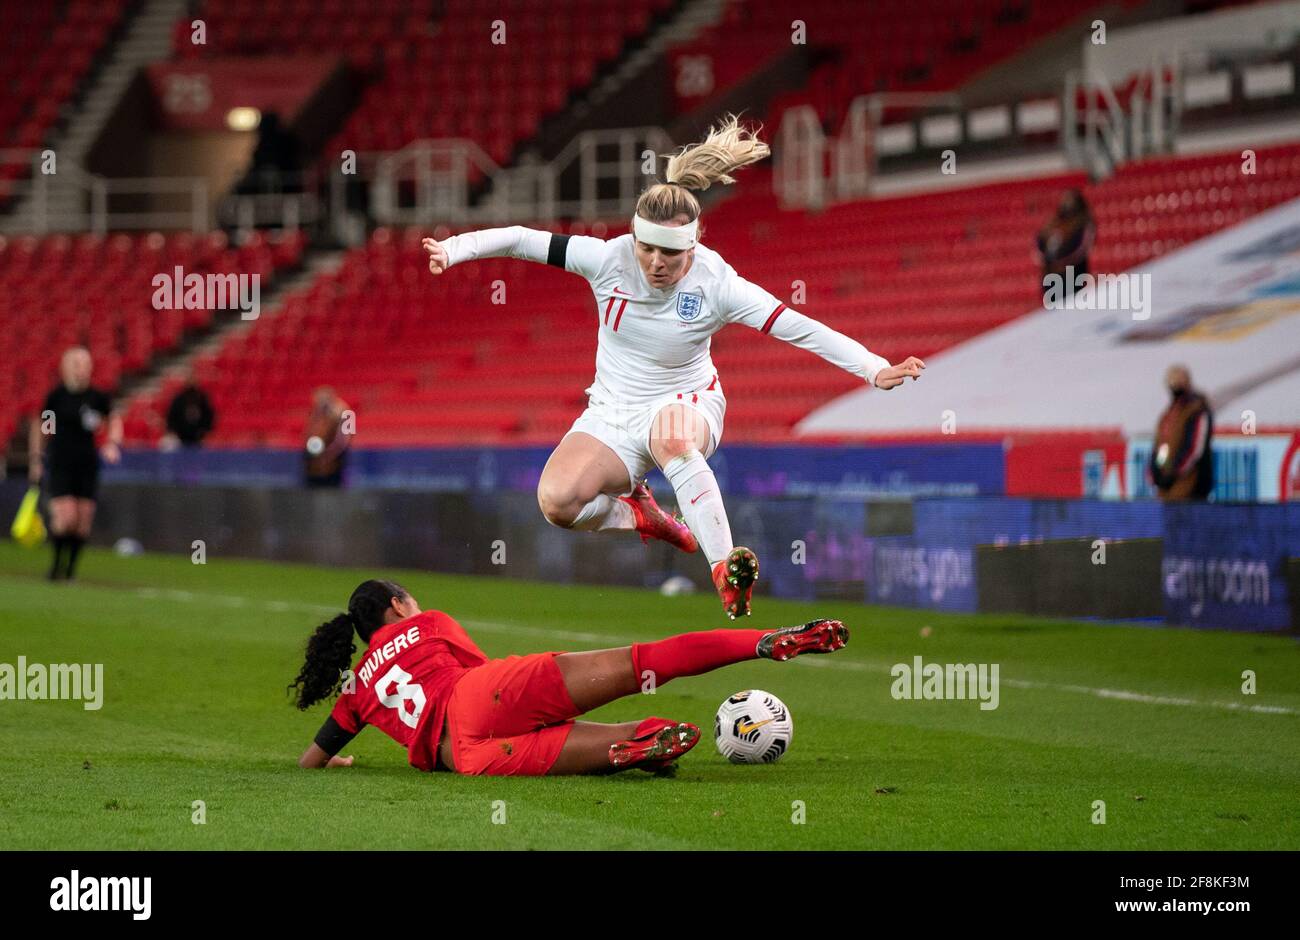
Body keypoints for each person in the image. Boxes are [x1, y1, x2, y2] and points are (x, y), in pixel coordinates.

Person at [422, 115, 925, 620]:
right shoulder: (606, 259)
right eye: (647, 249)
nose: (656, 263)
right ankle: (644, 516)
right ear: (633, 240)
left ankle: (725, 569)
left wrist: (872, 367)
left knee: (671, 435)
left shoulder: (718, 284)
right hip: (613, 411)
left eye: (671, 253)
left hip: (688, 401)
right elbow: (518, 238)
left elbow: (796, 326)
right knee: (557, 503)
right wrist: (454, 249)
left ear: (694, 245)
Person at [290, 578, 848, 776]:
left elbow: (311, 759)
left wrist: (337, 758)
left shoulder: (358, 686)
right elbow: (481, 677)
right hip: (479, 697)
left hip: (464, 759)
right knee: (642, 662)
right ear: (397, 604)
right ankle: (763, 642)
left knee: (612, 744)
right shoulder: (428, 624)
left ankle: (633, 746)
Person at [27, 347, 122, 580]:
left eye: (85, 364)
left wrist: (111, 443)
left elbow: (114, 420)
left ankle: (70, 572)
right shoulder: (57, 398)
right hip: (61, 462)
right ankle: (56, 566)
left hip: (87, 464)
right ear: (66, 368)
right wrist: (37, 459)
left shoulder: (96, 398)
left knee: (83, 521)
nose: (82, 369)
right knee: (66, 517)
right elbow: (42, 428)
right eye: (77, 364)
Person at [1150, 365, 1214, 501]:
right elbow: (1164, 446)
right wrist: (1159, 470)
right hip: (1170, 489)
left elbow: (1194, 449)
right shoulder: (1170, 414)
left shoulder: (1197, 411)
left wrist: (1173, 473)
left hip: (1191, 487)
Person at [1036, 188, 1096, 303]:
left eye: (1070, 200)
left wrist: (1063, 262)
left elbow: (1082, 248)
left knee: (1072, 306)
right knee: (1053, 309)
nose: (1066, 203)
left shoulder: (1083, 222)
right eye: (1065, 199)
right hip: (1051, 273)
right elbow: (1040, 240)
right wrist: (1046, 260)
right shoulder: (1054, 222)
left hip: (1073, 273)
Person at [303, 386, 350, 487]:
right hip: (317, 458)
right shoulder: (315, 415)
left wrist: (331, 453)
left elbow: (343, 438)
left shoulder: (339, 411)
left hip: (333, 456)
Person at [163, 370, 215, 448]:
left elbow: (209, 416)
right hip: (180, 435)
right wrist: (173, 431)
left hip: (198, 436)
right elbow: (171, 416)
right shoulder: (179, 398)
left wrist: (205, 431)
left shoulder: (201, 398)